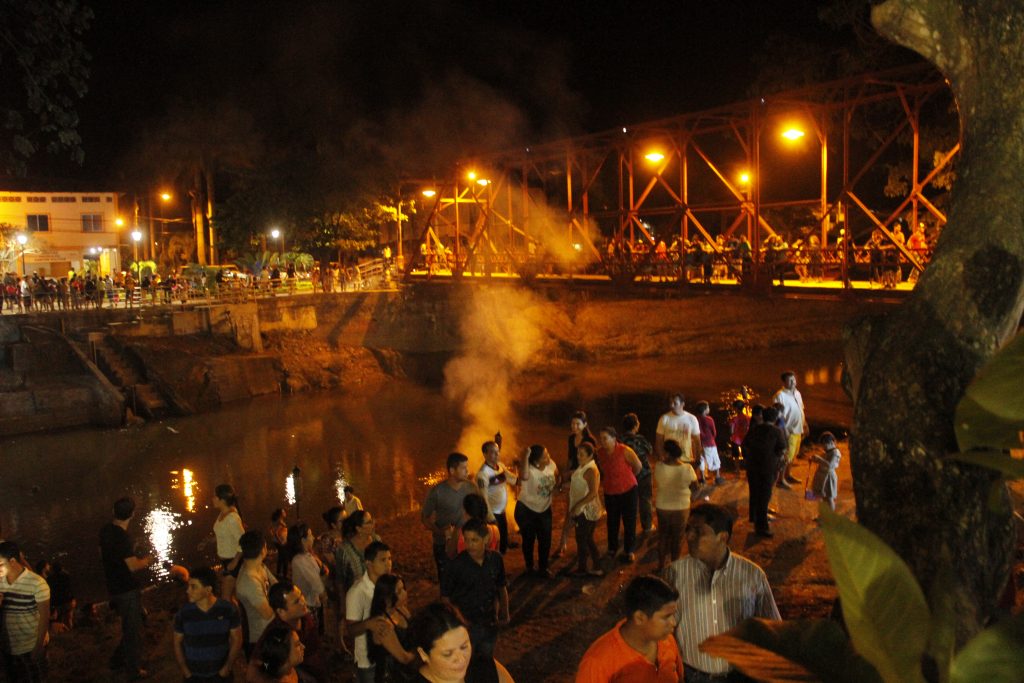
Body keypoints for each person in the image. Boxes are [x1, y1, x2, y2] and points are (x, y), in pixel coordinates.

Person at [665, 504, 780, 682]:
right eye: (688, 529)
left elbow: (772, 629)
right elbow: (664, 631)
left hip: (741, 676)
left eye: (698, 531)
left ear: (723, 537)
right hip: (692, 676)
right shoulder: (674, 574)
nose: (688, 536)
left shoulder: (752, 575)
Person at [575, 575, 683, 682]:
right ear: (640, 618)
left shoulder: (667, 641)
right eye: (666, 617)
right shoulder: (598, 662)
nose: (673, 622)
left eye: (673, 615)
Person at [99, 496, 153, 680]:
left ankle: (117, 659)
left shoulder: (105, 530)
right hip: (126, 588)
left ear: (113, 512)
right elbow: (132, 566)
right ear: (132, 514)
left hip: (113, 585)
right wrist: (146, 561)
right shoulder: (123, 538)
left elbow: (106, 553)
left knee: (138, 619)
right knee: (133, 630)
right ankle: (133, 670)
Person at [440, 519, 509, 659]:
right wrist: (459, 620)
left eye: (474, 540)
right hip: (467, 625)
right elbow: (445, 597)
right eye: (466, 540)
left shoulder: (495, 560)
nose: (469, 545)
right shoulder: (456, 565)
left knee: (485, 659)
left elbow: (501, 587)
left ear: (486, 539)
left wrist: (505, 611)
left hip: (490, 622)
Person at [407, 603, 513, 683]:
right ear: (423, 654)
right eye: (448, 654)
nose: (461, 659)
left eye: (464, 647)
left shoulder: (483, 666)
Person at [172, 566, 243, 682]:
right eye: (188, 586)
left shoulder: (228, 610)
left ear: (208, 590)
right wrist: (186, 672)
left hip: (220, 675)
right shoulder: (183, 614)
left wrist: (227, 667)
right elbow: (177, 642)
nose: (187, 590)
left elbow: (237, 639)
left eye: (193, 587)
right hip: (194, 676)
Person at [422, 453, 479, 584]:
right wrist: (441, 532)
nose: (467, 471)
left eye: (467, 467)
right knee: (446, 579)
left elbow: (479, 509)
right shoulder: (437, 491)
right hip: (443, 544)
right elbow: (425, 518)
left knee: (467, 578)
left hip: (467, 543)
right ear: (452, 471)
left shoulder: (471, 487)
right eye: (464, 468)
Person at [0, 541, 50, 683]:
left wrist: (38, 647)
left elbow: (44, 617)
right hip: (8, 647)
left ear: (13, 562)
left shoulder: (37, 583)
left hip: (30, 645)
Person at [255, 580, 324, 682]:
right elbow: (260, 666)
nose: (303, 602)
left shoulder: (305, 616)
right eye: (296, 602)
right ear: (281, 611)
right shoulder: (276, 635)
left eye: (301, 595)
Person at [595, 427, 643, 563]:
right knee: (612, 521)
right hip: (610, 492)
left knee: (629, 521)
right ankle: (612, 548)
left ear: (614, 438)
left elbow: (638, 466)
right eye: (601, 438)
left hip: (628, 490)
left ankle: (629, 550)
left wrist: (627, 478)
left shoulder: (625, 451)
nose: (602, 441)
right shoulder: (600, 453)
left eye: (605, 438)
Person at [653, 440, 698, 572]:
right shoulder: (687, 469)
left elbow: (658, 481)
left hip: (663, 506)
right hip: (681, 506)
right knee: (678, 538)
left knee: (663, 536)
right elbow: (695, 488)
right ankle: (674, 568)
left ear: (666, 452)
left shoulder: (659, 466)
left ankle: (661, 566)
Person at [514, 445, 558, 578]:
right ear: (536, 462)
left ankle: (543, 568)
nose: (548, 457)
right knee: (529, 540)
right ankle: (529, 567)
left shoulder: (551, 465)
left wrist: (557, 485)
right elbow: (524, 476)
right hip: (527, 511)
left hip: (544, 509)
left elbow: (556, 475)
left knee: (545, 541)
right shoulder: (530, 471)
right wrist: (525, 457)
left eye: (547, 453)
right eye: (545, 456)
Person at [743, 407, 788, 538]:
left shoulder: (755, 429)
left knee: (755, 493)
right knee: (764, 496)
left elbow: (745, 444)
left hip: (752, 467)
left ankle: (754, 517)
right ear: (774, 419)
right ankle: (761, 527)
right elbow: (782, 448)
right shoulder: (777, 431)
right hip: (768, 468)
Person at [236, 530, 278, 658]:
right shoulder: (249, 582)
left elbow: (276, 584)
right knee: (265, 672)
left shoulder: (259, 567)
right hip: (259, 639)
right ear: (263, 550)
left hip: (267, 631)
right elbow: (268, 613)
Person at [368, 574, 417, 683]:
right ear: (387, 598)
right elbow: (403, 657)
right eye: (399, 591)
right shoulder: (382, 625)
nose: (405, 593)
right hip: (391, 677)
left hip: (405, 671)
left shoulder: (400, 609)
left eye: (404, 588)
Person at [566, 442, 603, 577]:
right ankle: (594, 566)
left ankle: (586, 568)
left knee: (584, 539)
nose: (578, 456)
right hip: (583, 509)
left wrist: (577, 505)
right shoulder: (584, 466)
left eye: (582, 454)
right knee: (586, 538)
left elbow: (593, 492)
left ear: (590, 455)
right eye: (577, 453)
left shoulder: (590, 470)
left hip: (586, 511)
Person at [474, 441, 518, 554]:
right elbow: (483, 497)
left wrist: (523, 476)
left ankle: (500, 561)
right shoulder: (482, 474)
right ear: (485, 454)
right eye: (493, 452)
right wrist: (490, 516)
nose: (497, 454)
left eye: (497, 452)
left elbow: (512, 479)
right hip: (492, 514)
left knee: (503, 538)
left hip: (501, 512)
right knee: (493, 542)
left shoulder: (501, 467)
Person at [620, 413, 655, 542]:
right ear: (636, 425)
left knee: (629, 503)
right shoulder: (640, 439)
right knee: (645, 500)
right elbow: (650, 450)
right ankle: (647, 526)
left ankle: (630, 528)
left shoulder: (620, 440)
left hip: (627, 475)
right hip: (644, 474)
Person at [287, 523, 327, 632]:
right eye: (310, 535)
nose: (313, 537)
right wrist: (325, 596)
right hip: (308, 606)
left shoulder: (307, 555)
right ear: (302, 540)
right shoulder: (299, 560)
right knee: (312, 638)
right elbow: (316, 583)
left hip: (313, 602)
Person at [773, 371, 807, 488]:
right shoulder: (780, 395)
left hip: (798, 429)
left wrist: (805, 424)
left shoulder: (797, 393)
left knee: (793, 455)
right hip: (789, 430)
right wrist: (784, 431)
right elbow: (778, 415)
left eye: (794, 380)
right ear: (784, 382)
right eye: (790, 380)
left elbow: (801, 409)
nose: (793, 382)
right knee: (787, 456)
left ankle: (788, 475)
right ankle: (780, 480)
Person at [654, 394, 703, 472]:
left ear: (683, 404)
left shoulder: (691, 419)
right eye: (670, 403)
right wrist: (661, 457)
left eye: (675, 403)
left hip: (687, 460)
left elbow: (697, 441)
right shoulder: (664, 419)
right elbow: (659, 440)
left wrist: (697, 458)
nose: (672, 405)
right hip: (669, 460)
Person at [213, 484, 245, 600]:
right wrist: (210, 541)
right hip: (226, 561)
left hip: (232, 562)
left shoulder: (232, 518)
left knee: (225, 598)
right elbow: (224, 533)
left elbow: (243, 541)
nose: (213, 499)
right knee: (234, 596)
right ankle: (239, 616)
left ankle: (236, 617)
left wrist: (235, 562)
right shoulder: (222, 513)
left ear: (222, 499)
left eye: (215, 497)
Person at [446, 494, 500, 558]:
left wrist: (448, 536)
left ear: (466, 513)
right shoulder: (495, 530)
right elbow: (496, 555)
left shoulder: (459, 532)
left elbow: (450, 554)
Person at [809, 432, 842, 512]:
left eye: (825, 445)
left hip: (829, 477)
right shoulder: (828, 451)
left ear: (831, 442)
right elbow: (823, 462)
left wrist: (819, 459)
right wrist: (815, 459)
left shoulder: (835, 452)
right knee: (822, 497)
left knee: (829, 498)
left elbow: (830, 465)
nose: (823, 448)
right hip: (823, 477)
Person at [693, 402, 723, 485]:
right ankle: (717, 477)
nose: (709, 409)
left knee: (701, 459)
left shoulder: (696, 419)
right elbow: (714, 432)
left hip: (699, 444)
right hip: (710, 443)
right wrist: (712, 438)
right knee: (715, 460)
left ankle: (702, 478)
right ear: (705, 410)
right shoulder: (709, 419)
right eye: (708, 408)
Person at [727, 400, 750, 469]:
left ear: (736, 408)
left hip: (735, 439)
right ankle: (747, 469)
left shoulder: (734, 419)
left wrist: (731, 434)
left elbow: (731, 430)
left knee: (735, 455)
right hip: (745, 438)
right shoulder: (748, 418)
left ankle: (737, 469)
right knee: (745, 455)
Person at [269, 509, 289, 579]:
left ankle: (279, 573)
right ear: (281, 514)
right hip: (281, 543)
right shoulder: (280, 522)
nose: (285, 513)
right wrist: (280, 541)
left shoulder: (279, 521)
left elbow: (272, 531)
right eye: (283, 512)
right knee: (285, 558)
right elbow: (275, 532)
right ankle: (284, 575)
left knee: (281, 557)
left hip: (279, 542)